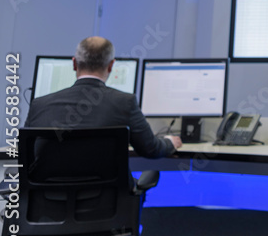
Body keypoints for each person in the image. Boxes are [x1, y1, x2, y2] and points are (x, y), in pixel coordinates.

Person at [25, 36, 181, 157]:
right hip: (104, 197)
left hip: (48, 197)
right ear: (111, 65)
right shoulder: (125, 103)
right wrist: (170, 142)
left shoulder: (39, 104)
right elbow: (151, 149)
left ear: (74, 64)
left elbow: (25, 153)